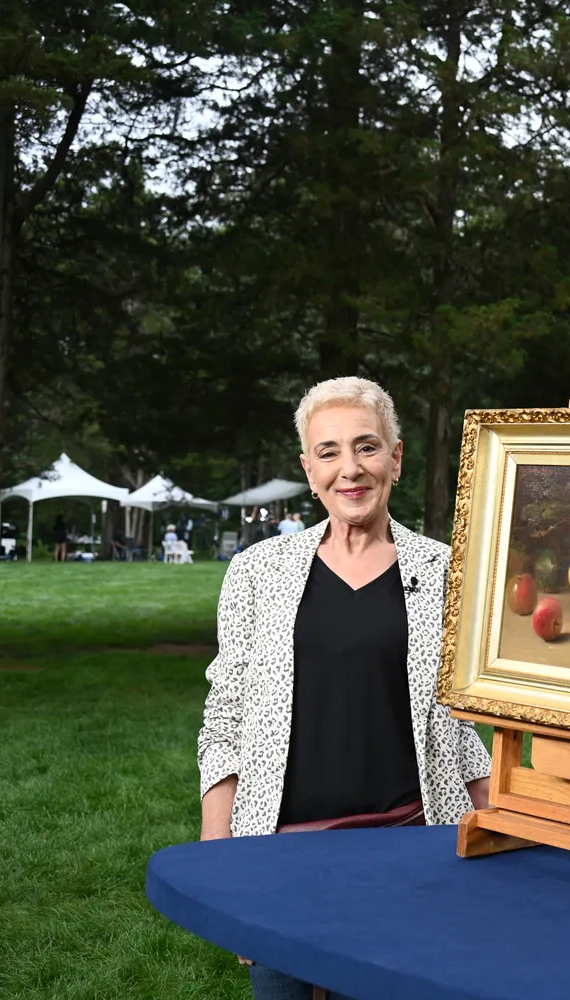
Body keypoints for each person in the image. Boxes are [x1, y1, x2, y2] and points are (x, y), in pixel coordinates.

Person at [198, 376, 492, 1000]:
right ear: (308, 469)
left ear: (396, 456)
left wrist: (499, 832)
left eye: (366, 447)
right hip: (280, 861)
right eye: (329, 452)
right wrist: (219, 852)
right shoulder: (258, 572)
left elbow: (460, 725)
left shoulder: (447, 572)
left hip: (416, 851)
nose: (350, 469)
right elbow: (226, 715)